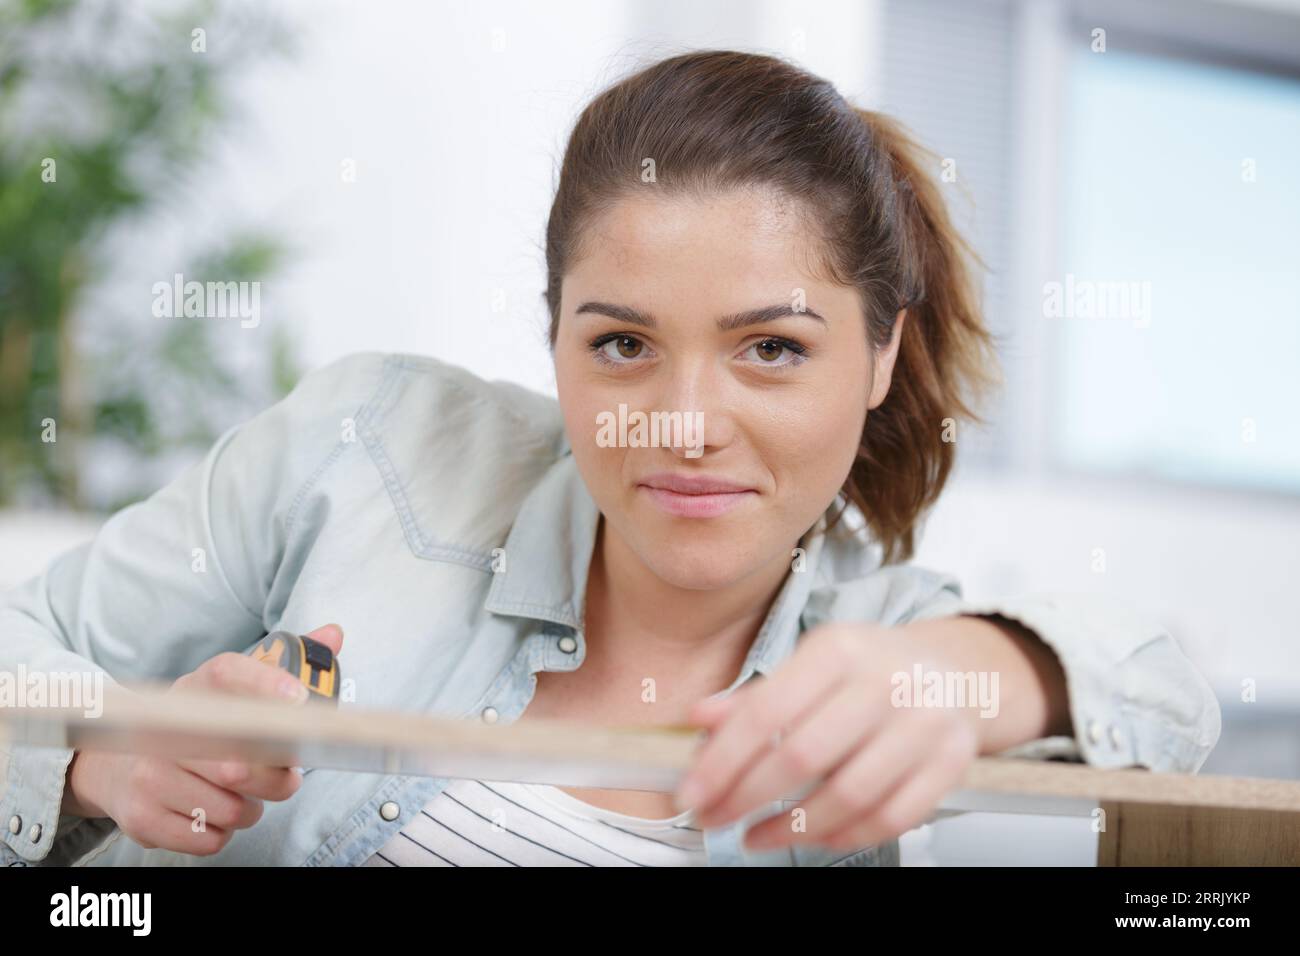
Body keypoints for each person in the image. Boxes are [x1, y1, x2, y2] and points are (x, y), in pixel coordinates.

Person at [0, 49, 1220, 867]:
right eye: (624, 341)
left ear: (883, 353)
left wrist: (984, 668)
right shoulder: (369, 446)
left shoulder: (879, 658)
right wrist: (92, 752)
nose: (680, 421)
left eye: (772, 349)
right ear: (554, 332)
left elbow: (1165, 688)